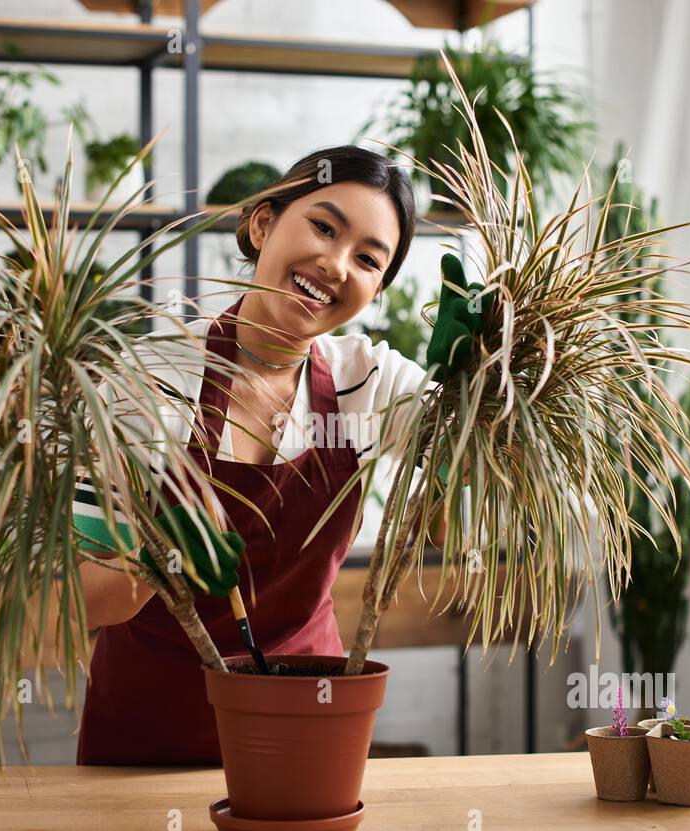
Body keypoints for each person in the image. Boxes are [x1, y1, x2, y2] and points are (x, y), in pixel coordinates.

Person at [75, 144, 429, 765]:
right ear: (263, 224)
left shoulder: (369, 382)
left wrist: (491, 371)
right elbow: (82, 595)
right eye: (323, 227)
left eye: (368, 259)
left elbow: (486, 451)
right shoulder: (153, 377)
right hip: (148, 742)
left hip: (308, 733)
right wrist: (160, 553)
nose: (335, 264)